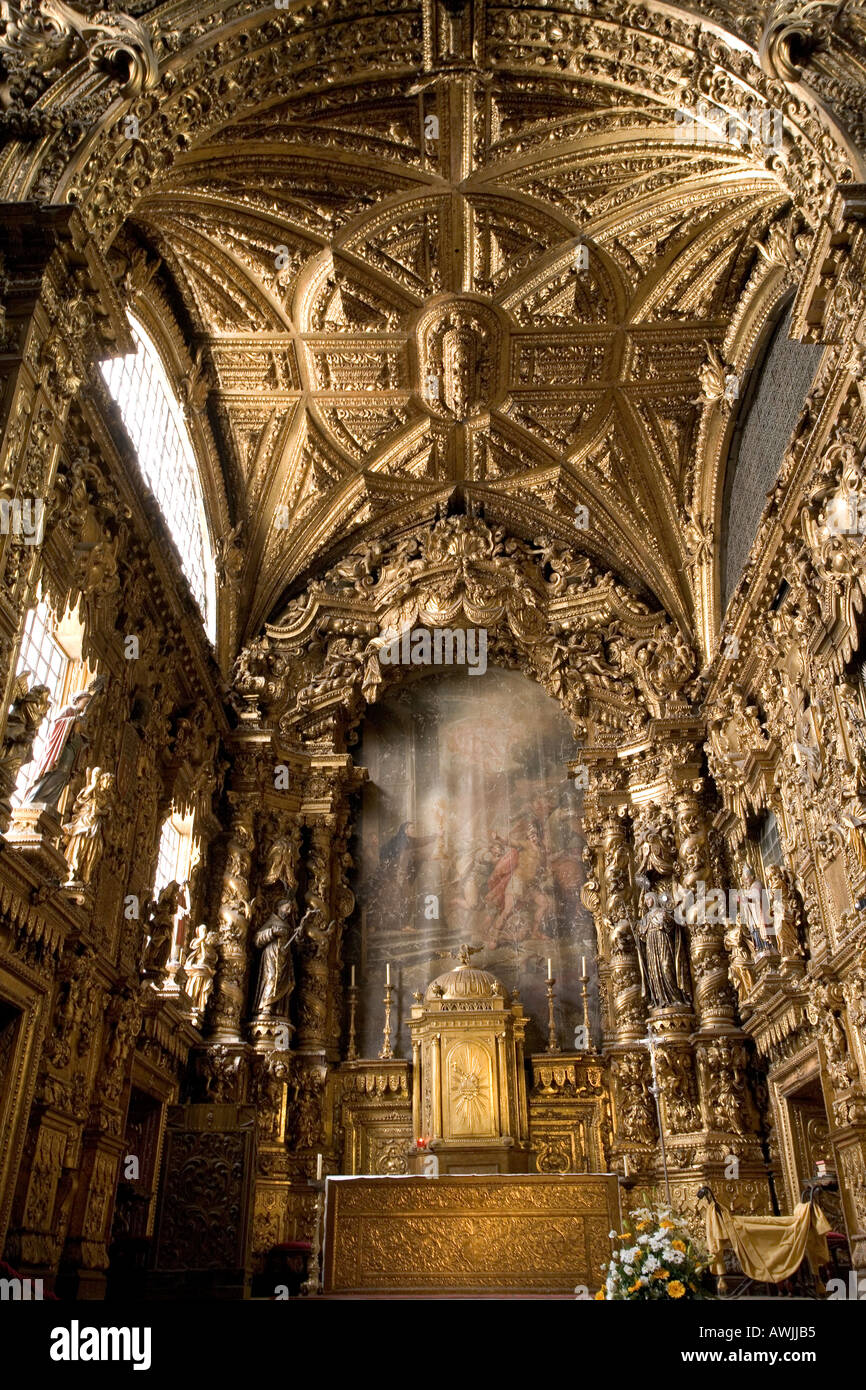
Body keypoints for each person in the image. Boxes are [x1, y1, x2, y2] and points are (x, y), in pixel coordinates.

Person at [24, 676, 105, 810]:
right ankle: (36, 799)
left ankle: (51, 803)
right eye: (85, 703)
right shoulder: (68, 710)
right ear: (77, 700)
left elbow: (81, 735)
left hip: (72, 751)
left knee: (64, 775)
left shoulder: (82, 719)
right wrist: (74, 721)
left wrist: (84, 738)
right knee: (55, 772)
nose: (86, 707)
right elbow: (58, 723)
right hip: (61, 749)